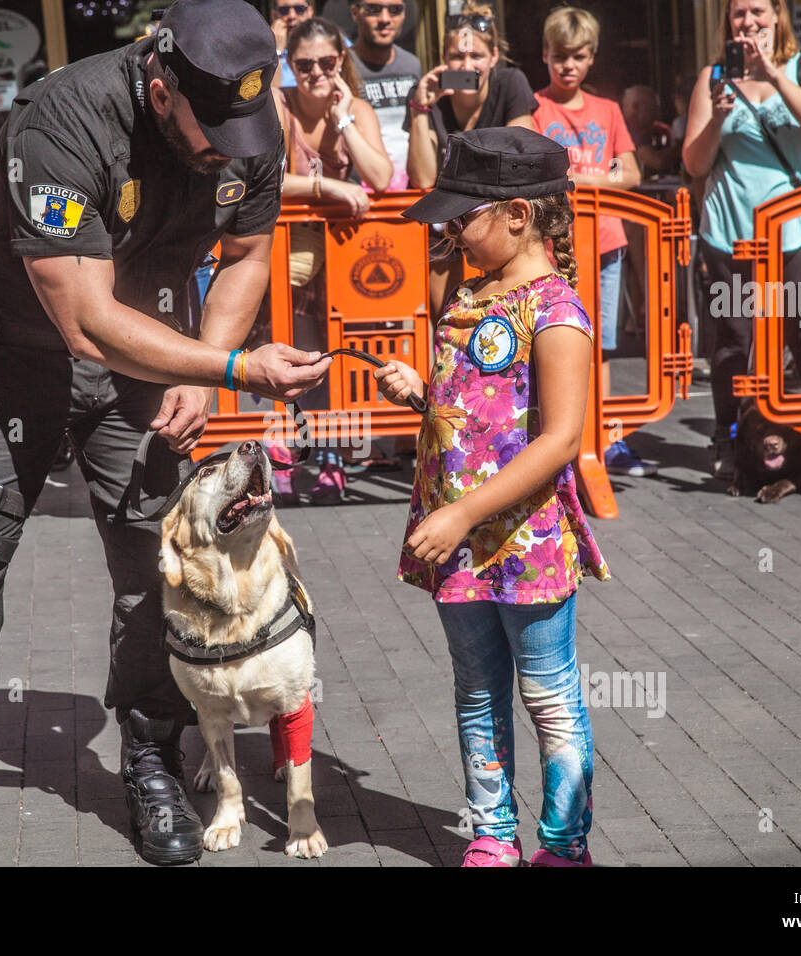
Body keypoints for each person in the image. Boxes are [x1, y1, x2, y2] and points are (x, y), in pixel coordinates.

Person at [0, 0, 331, 868]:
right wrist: (234, 371)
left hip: (154, 360)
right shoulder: (62, 117)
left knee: (157, 565)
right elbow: (83, 322)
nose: (231, 147)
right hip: (18, 359)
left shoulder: (246, 128)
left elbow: (249, 255)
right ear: (158, 88)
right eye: (212, 128)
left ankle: (152, 761)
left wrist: (199, 364)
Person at [373, 127, 609, 867]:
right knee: (476, 693)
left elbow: (559, 441)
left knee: (547, 699)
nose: (448, 231)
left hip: (526, 542)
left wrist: (464, 513)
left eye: (461, 217)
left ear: (517, 215)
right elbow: (482, 414)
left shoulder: (558, 312)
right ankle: (491, 834)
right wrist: (422, 395)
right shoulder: (466, 293)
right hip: (459, 546)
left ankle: (564, 847)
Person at [682, 0, 801, 480]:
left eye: (758, 12)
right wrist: (717, 118)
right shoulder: (713, 77)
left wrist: (773, 73)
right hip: (730, 235)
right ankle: (729, 438)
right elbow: (695, 163)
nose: (748, 22)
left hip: (791, 236)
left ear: (778, 15)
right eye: (738, 14)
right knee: (733, 339)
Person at [270, 16, 392, 504]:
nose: (316, 72)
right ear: (289, 65)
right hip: (290, 251)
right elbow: (267, 182)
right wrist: (328, 185)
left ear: (340, 61)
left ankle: (332, 458)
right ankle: (281, 449)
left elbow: (381, 177)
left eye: (326, 62)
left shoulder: (357, 107)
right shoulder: (279, 107)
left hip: (347, 253)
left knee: (335, 358)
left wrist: (344, 118)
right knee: (292, 353)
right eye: (304, 64)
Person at [532, 6, 655, 477]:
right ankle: (557, 439)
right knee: (552, 343)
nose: (569, 65)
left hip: (605, 243)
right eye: (560, 56)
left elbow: (633, 172)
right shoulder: (536, 108)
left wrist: (576, 177)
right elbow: (543, 175)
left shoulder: (607, 109)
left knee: (599, 344)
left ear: (592, 58)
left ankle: (606, 437)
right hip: (550, 249)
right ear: (545, 54)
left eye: (578, 56)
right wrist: (599, 177)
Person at [405, 3, 534, 318]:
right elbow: (422, 177)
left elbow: (522, 156)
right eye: (457, 57)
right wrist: (420, 111)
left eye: (476, 56)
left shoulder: (510, 83)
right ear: (444, 61)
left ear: (493, 57)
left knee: (505, 319)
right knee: (450, 320)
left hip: (501, 224)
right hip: (446, 231)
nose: (466, 65)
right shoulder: (426, 94)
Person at [346, 1, 422, 190]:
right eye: (374, 10)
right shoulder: (341, 66)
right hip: (358, 196)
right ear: (355, 13)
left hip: (409, 195)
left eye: (395, 10)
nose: (385, 19)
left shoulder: (412, 65)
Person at [269, 1, 314, 89]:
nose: (292, 16)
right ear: (274, 15)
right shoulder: (261, 54)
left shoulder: (329, 42)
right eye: (284, 10)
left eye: (299, 9)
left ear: (309, 12)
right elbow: (271, 96)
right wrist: (276, 51)